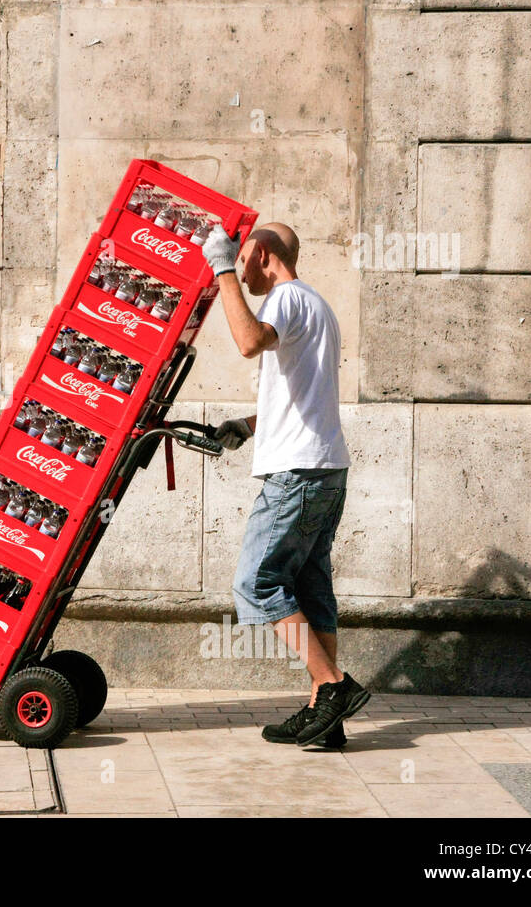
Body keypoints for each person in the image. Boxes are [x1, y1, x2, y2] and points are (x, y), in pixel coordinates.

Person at [201, 222, 369, 748]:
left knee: (257, 582)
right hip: (324, 467)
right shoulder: (314, 304)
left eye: (245, 254)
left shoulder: (286, 298)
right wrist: (250, 426)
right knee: (311, 584)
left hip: (298, 473)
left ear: (264, 254)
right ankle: (327, 713)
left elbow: (249, 342)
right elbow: (304, 392)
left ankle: (333, 685)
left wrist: (221, 267)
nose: (241, 265)